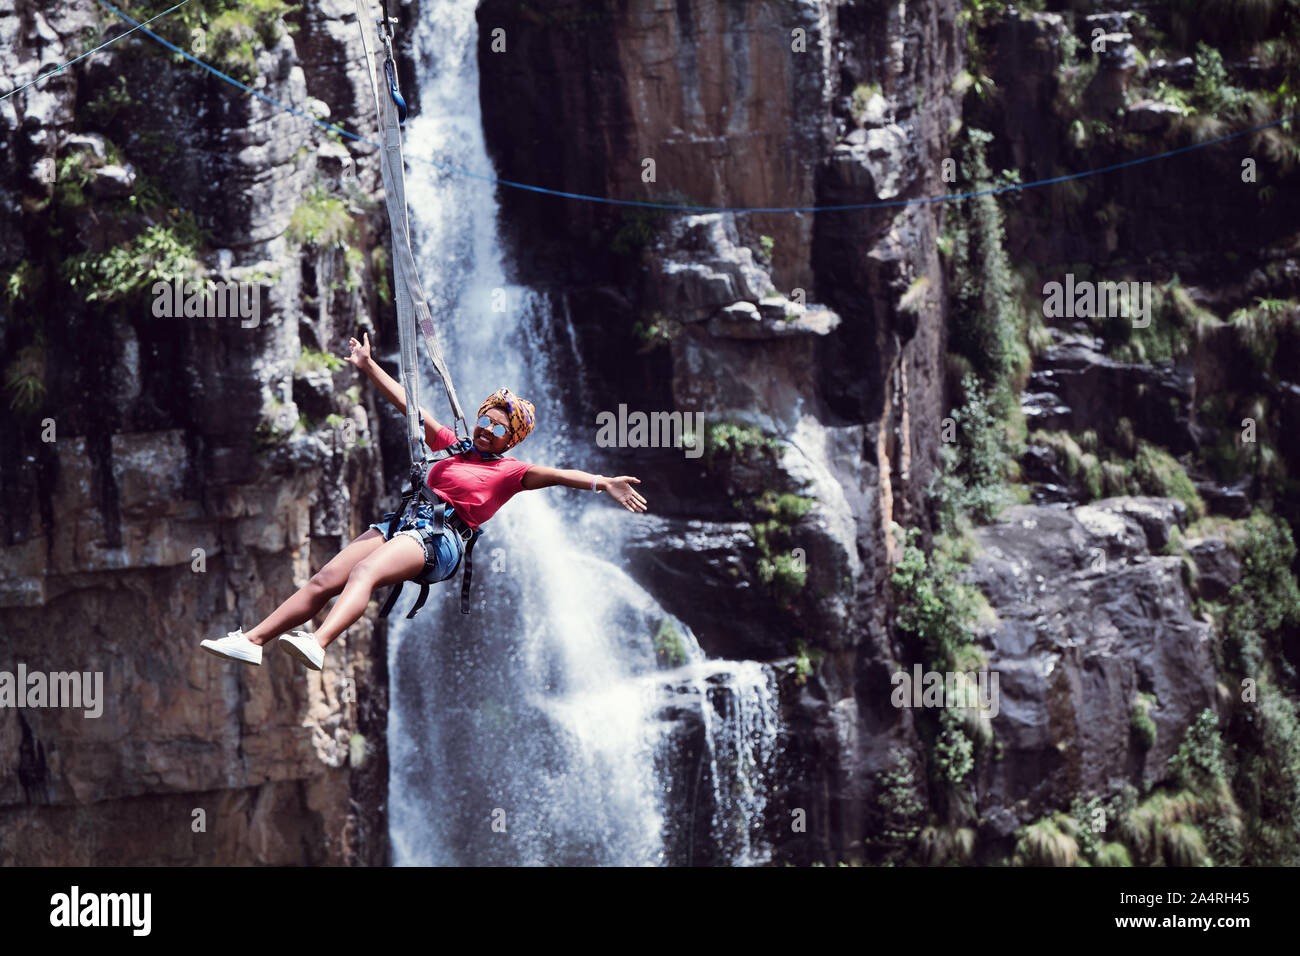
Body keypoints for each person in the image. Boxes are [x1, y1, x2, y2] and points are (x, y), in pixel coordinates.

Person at [199, 331, 648, 671]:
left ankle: (317, 642)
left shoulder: (509, 472)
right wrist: (369, 366)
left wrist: (601, 481)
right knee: (324, 578)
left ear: (510, 439)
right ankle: (254, 641)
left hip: (440, 539)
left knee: (365, 573)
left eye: (498, 429)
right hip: (403, 523)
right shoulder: (453, 444)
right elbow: (410, 408)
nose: (488, 430)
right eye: (485, 421)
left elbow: (555, 476)